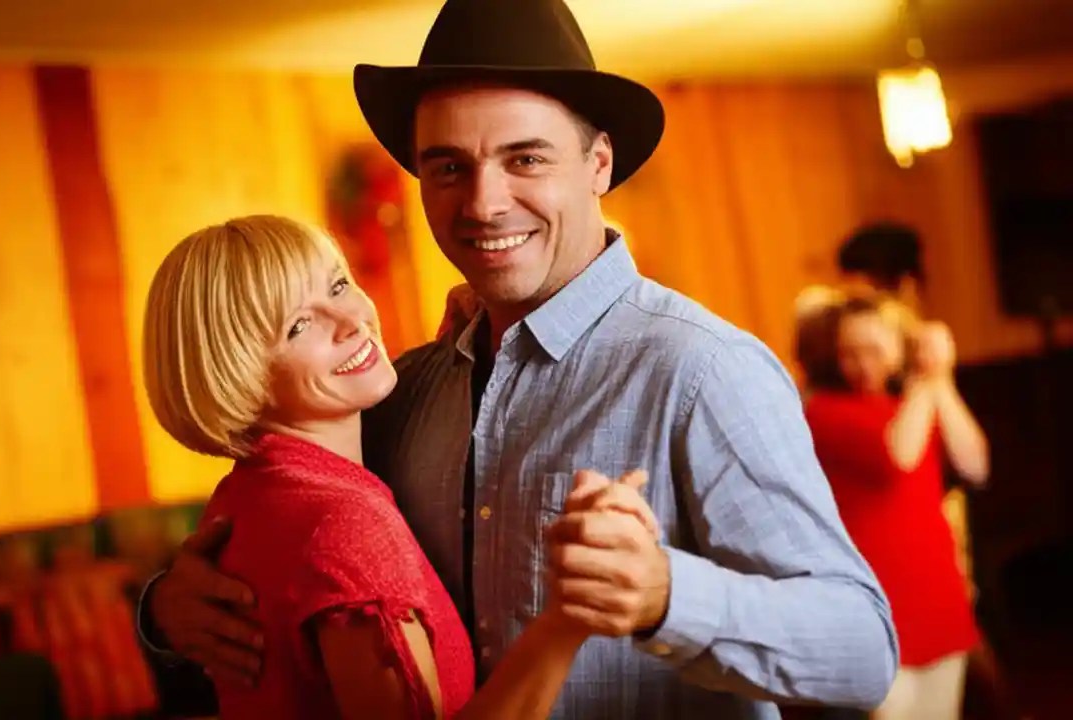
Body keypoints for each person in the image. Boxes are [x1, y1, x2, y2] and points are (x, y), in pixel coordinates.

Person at [140, 1, 898, 717]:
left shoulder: (700, 371)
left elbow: (863, 649)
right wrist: (167, 607)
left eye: (525, 158)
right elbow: (299, 525)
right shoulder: (405, 390)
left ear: (599, 163)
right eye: (447, 168)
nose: (483, 203)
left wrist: (669, 596)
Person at [141, 214, 660, 719]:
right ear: (233, 375)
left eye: (339, 285)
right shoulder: (346, 526)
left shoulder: (246, 493)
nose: (352, 321)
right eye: (298, 326)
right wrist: (565, 619)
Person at [802, 295, 989, 720]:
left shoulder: (915, 402)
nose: (862, 364)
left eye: (873, 349)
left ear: (899, 348)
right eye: (849, 353)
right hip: (880, 615)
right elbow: (897, 455)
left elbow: (975, 464)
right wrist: (929, 378)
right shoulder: (822, 410)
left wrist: (941, 381)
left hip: (939, 600)